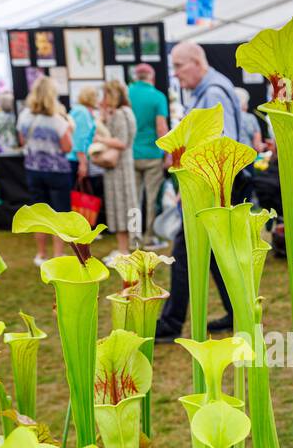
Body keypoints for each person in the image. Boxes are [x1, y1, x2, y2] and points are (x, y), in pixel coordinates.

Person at [156, 41, 237, 341]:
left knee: (183, 253)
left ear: (197, 62)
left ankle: (171, 323)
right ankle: (237, 311)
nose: (175, 74)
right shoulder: (209, 91)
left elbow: (223, 145)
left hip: (209, 189)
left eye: (178, 66)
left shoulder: (213, 94)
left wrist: (193, 187)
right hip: (208, 187)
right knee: (214, 255)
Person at [17, 76, 77, 264]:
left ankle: (41, 254)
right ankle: (57, 254)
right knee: (59, 213)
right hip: (57, 171)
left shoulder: (24, 116)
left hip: (33, 168)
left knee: (39, 212)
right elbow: (67, 147)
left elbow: (21, 141)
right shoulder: (57, 120)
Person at [97, 79, 139, 264]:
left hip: (119, 169)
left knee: (122, 207)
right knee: (127, 206)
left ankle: (124, 250)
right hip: (123, 167)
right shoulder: (125, 112)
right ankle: (127, 248)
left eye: (105, 94)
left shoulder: (121, 114)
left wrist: (100, 139)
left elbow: (122, 142)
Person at [128, 63, 170, 245]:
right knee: (152, 198)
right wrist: (169, 153)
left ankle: (133, 238)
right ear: (151, 77)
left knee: (133, 198)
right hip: (152, 154)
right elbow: (161, 128)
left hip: (130, 154)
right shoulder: (158, 97)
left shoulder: (126, 94)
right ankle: (149, 236)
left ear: (135, 77)